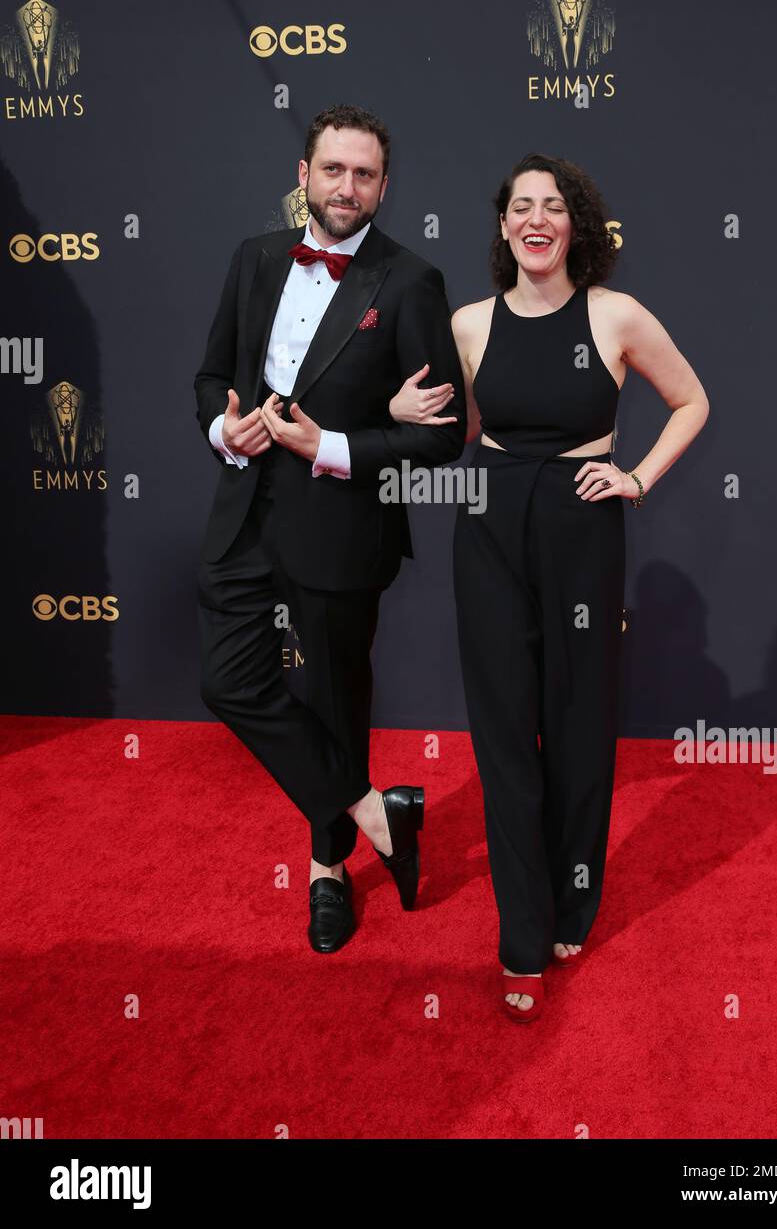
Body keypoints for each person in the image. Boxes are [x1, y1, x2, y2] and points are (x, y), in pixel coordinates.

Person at [389, 152, 709, 1021]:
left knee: (576, 721)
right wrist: (399, 418)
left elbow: (692, 401)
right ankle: (521, 933)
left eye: (554, 206)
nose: (537, 219)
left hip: (581, 526)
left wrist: (635, 477)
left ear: (577, 226)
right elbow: (465, 434)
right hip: (489, 524)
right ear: (502, 227)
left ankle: (574, 900)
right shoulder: (466, 325)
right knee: (501, 729)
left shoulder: (616, 315)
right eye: (521, 206)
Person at [195, 103, 466, 954]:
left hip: (344, 521)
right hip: (247, 508)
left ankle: (327, 871)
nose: (346, 188)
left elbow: (439, 436)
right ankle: (374, 813)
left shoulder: (412, 281)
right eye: (332, 170)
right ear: (304, 177)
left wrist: (336, 445)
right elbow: (211, 376)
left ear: (385, 186)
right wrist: (222, 430)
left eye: (364, 174)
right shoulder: (254, 259)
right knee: (229, 683)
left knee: (335, 701)